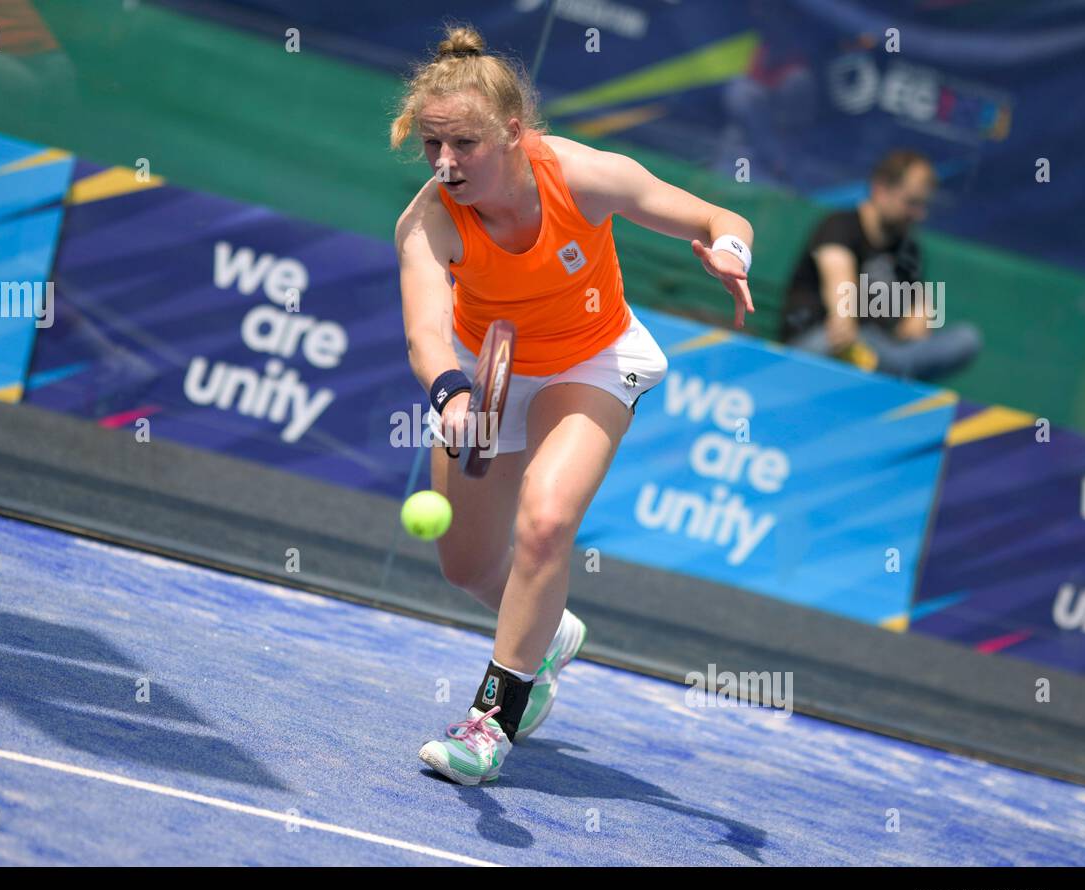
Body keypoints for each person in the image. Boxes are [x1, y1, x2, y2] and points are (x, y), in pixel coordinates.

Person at [391, 25, 755, 785]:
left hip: (592, 356)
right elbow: (428, 332)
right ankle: (548, 632)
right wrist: (454, 398)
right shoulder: (428, 223)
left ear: (513, 132)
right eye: (433, 146)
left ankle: (492, 721)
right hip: (485, 373)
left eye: (463, 144)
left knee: (549, 519)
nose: (446, 163)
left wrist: (730, 253)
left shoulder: (586, 176)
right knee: (465, 567)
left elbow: (721, 220)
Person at [781, 149, 981, 380]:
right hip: (824, 343)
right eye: (911, 203)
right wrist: (845, 319)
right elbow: (839, 289)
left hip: (881, 350)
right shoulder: (839, 225)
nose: (919, 214)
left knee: (966, 338)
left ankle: (892, 375)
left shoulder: (908, 247)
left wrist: (919, 319)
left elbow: (919, 312)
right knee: (850, 342)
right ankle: (892, 375)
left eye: (923, 205)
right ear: (881, 190)